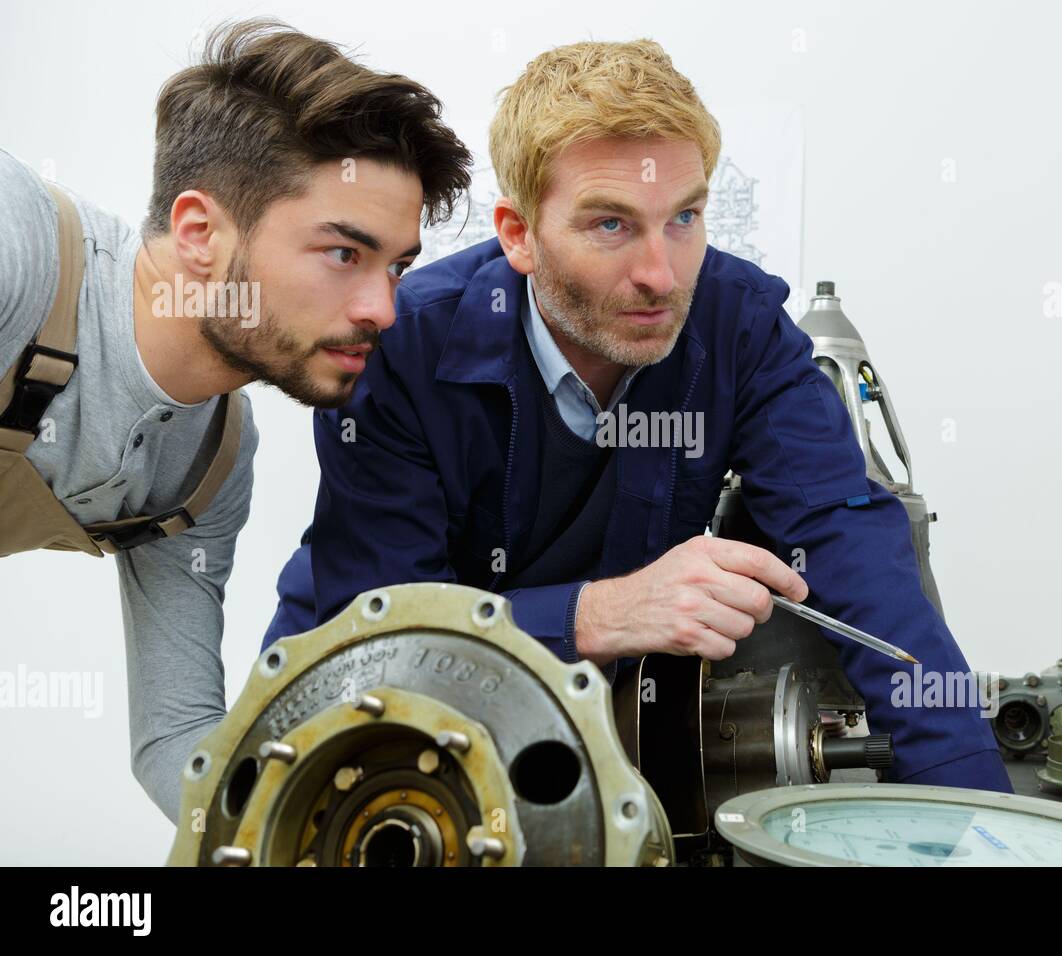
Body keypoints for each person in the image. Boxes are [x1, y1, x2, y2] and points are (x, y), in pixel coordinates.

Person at [264, 38, 1010, 792]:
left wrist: (978, 815)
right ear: (519, 234)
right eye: (611, 226)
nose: (661, 275)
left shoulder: (738, 325)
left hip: (583, 734)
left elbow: (853, 547)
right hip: (353, 731)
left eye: (683, 218)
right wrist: (597, 615)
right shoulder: (402, 345)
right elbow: (393, 643)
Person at [0, 18, 472, 822]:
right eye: (342, 254)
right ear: (198, 235)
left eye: (396, 267)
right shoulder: (18, 258)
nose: (383, 308)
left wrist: (304, 830)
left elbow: (176, 735)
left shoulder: (212, 461)